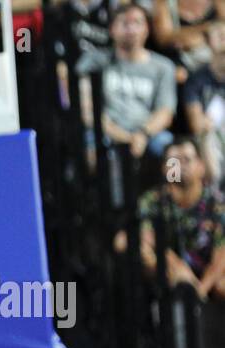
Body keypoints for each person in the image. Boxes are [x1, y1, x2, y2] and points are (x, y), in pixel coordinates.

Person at [119, 135, 225, 297]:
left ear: (201, 166)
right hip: (173, 274)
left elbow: (221, 256)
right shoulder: (153, 201)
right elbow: (135, 238)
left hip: (211, 276)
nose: (179, 166)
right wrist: (171, 261)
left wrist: (199, 291)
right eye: (173, 161)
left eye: (186, 160)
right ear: (164, 169)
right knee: (131, 243)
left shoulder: (217, 202)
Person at [78, 2, 177, 160]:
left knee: (174, 154)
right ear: (111, 30)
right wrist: (121, 136)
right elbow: (86, 109)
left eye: (137, 23)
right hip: (105, 129)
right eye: (124, 23)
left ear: (147, 29)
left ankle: (174, 184)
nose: (131, 29)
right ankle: (89, 185)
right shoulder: (93, 61)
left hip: (147, 132)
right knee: (86, 148)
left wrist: (143, 134)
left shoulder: (163, 67)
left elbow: (165, 113)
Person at [184, 20, 225, 182]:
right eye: (221, 36)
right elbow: (196, 124)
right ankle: (216, 192)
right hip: (211, 135)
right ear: (208, 42)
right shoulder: (196, 79)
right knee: (208, 136)